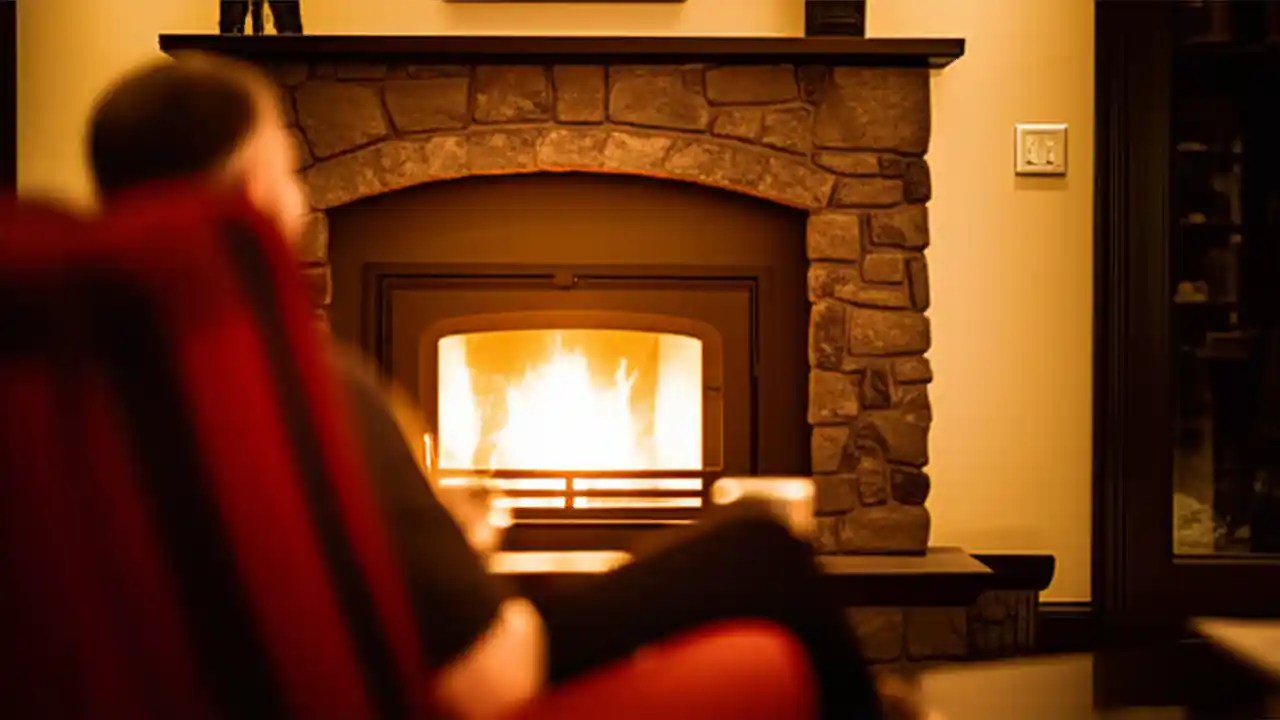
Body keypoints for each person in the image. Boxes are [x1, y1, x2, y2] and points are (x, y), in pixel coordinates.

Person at [87, 53, 897, 720]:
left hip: (379, 653)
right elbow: (486, 678)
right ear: (254, 192)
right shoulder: (302, 384)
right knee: (760, 548)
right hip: (468, 673)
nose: (299, 199)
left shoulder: (115, 382)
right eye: (291, 170)